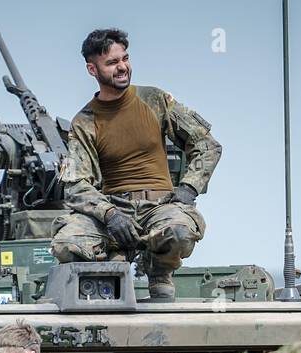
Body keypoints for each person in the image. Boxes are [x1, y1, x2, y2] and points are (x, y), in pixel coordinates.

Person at [52, 27, 222, 301]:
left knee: (179, 230)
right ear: (92, 70)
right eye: (111, 63)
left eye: (125, 59)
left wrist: (189, 189)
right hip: (113, 213)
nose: (122, 68)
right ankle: (112, 262)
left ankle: (159, 270)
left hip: (159, 208)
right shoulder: (84, 122)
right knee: (67, 242)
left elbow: (206, 145)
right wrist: (109, 214)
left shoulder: (155, 101)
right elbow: (76, 184)